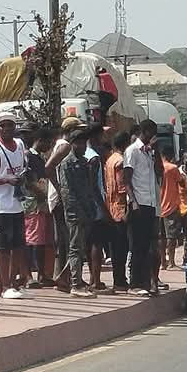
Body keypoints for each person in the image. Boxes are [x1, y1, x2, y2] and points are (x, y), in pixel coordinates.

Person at [0, 113, 31, 299]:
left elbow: (23, 167)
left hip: (17, 203)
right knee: (3, 248)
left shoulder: (19, 145)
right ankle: (4, 286)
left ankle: (12, 282)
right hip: (0, 206)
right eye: (3, 125)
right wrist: (5, 180)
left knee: (18, 246)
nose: (7, 128)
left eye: (10, 125)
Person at [56, 129, 98, 298]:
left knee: (80, 247)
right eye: (78, 143)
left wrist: (91, 208)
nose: (82, 146)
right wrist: (78, 212)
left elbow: (89, 188)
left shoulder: (84, 162)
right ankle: (76, 284)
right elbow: (67, 193)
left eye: (84, 143)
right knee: (75, 248)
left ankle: (66, 278)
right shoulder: (67, 163)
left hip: (86, 210)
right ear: (72, 144)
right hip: (74, 212)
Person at [124, 120, 159, 297]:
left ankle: (145, 281)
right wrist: (134, 201)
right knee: (137, 245)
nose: (153, 137)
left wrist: (156, 152)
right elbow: (127, 179)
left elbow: (158, 173)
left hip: (151, 203)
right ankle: (134, 283)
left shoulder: (149, 153)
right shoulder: (132, 151)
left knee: (147, 246)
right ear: (144, 131)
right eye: (151, 133)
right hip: (139, 203)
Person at [23, 127, 56, 289]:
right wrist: (40, 193)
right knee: (32, 241)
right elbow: (28, 180)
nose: (49, 146)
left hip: (43, 204)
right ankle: (28, 276)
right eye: (48, 143)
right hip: (33, 204)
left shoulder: (41, 157)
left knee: (42, 241)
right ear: (41, 141)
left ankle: (43, 275)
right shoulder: (28, 156)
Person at [84, 124, 111, 292]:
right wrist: (103, 207)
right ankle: (96, 280)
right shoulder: (93, 157)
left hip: (85, 205)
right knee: (97, 243)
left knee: (89, 243)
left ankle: (92, 279)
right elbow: (94, 185)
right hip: (95, 206)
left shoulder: (83, 154)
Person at [105, 131, 130, 292]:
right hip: (120, 208)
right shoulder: (120, 161)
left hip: (110, 206)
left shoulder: (110, 159)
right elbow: (122, 187)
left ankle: (118, 279)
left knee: (115, 247)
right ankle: (120, 280)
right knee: (122, 246)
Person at [159, 149, 184, 269]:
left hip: (158, 206)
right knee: (171, 236)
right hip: (171, 206)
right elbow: (182, 182)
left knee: (161, 236)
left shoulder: (156, 168)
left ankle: (162, 262)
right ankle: (171, 262)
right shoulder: (173, 168)